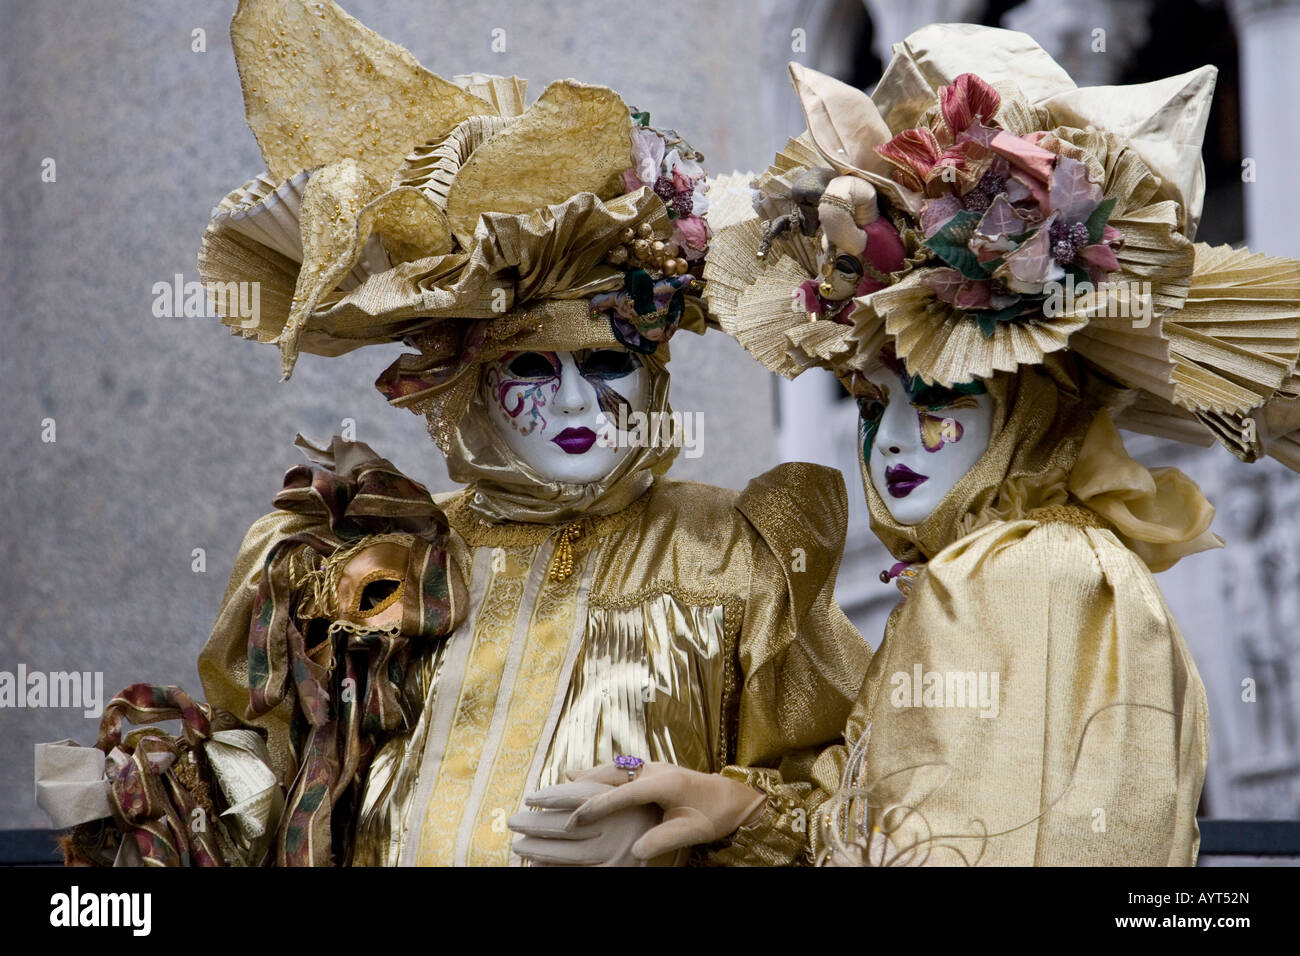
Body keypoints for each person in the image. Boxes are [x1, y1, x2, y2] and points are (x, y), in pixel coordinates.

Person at [189, 0, 870, 866]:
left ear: (656, 371)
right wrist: (166, 797)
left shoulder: (736, 556)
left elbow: (854, 800)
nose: (581, 406)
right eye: (532, 371)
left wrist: (714, 814)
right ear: (468, 382)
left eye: (610, 365)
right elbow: (281, 779)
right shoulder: (383, 560)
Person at [705, 23, 1300, 865]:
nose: (896, 440)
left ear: (1034, 413)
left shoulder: (1024, 568)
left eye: (944, 399)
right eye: (875, 405)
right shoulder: (1014, 558)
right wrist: (738, 811)